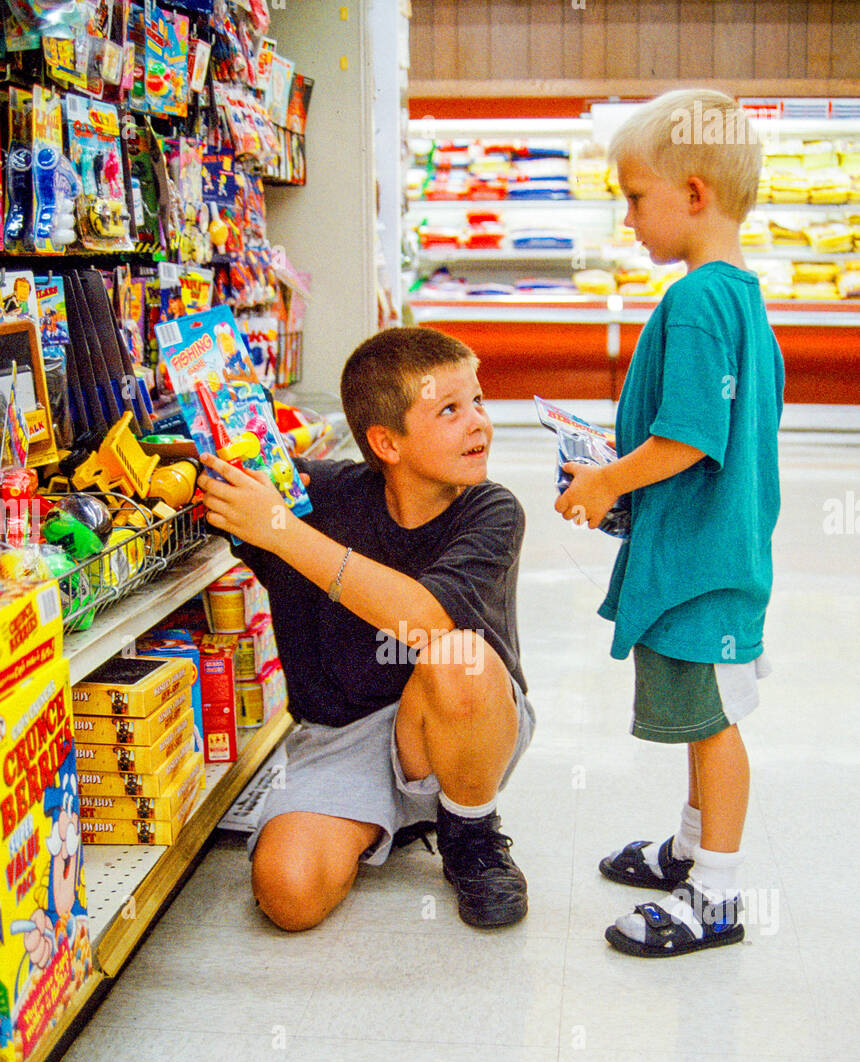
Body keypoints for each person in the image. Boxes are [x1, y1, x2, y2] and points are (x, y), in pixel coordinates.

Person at [197, 327, 535, 932]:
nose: (479, 422)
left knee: (459, 654)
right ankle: (385, 817)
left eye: (478, 401)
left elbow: (425, 621)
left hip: (459, 718)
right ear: (386, 442)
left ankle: (469, 830)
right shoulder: (313, 496)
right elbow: (218, 467)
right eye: (450, 410)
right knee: (288, 895)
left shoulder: (492, 509)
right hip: (339, 737)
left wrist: (281, 533)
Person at [556, 89, 783, 958]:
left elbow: (689, 436)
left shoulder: (694, 303)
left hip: (702, 565)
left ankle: (718, 895)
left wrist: (610, 478)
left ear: (694, 194)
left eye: (635, 196)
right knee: (698, 713)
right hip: (714, 547)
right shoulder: (737, 298)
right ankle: (691, 850)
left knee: (714, 723)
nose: (628, 216)